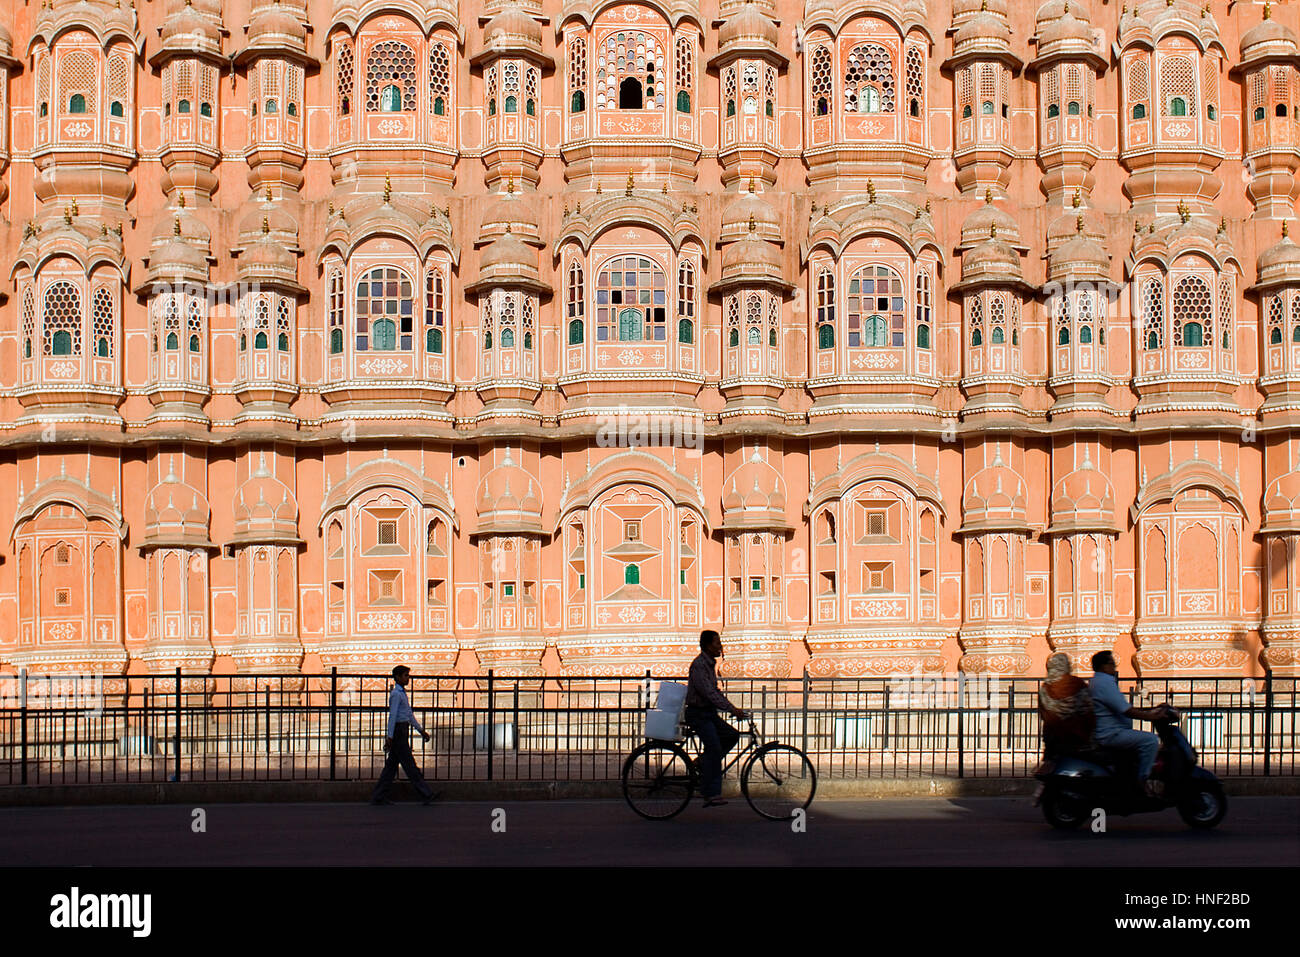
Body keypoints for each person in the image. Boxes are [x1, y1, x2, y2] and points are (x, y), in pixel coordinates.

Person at [1088, 650, 1172, 798]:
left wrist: (1150, 713)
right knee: (1150, 740)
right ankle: (1142, 780)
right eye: (1111, 663)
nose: (1114, 666)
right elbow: (1125, 709)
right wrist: (1150, 717)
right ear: (1102, 666)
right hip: (1112, 733)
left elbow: (1122, 707)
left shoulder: (1098, 681)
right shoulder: (1104, 683)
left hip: (1113, 730)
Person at [684, 630, 748, 807]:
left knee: (731, 735)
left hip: (708, 712)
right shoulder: (699, 665)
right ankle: (711, 792)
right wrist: (731, 708)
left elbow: (714, 691)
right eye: (717, 643)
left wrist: (730, 707)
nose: (720, 646)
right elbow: (708, 692)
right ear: (707, 645)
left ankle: (702, 763)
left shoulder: (709, 664)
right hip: (698, 713)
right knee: (714, 747)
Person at [370, 665, 441, 806]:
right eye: (405, 675)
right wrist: (390, 736)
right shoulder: (396, 694)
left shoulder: (402, 693)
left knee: (391, 767)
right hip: (398, 732)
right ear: (398, 677)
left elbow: (409, 715)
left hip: (402, 730)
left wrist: (420, 730)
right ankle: (426, 793)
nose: (408, 678)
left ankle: (378, 796)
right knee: (409, 765)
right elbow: (393, 716)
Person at [1038, 652, 1095, 759]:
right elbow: (1088, 710)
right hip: (1077, 737)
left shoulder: (1045, 688)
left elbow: (1043, 714)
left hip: (1052, 738)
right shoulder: (1077, 684)